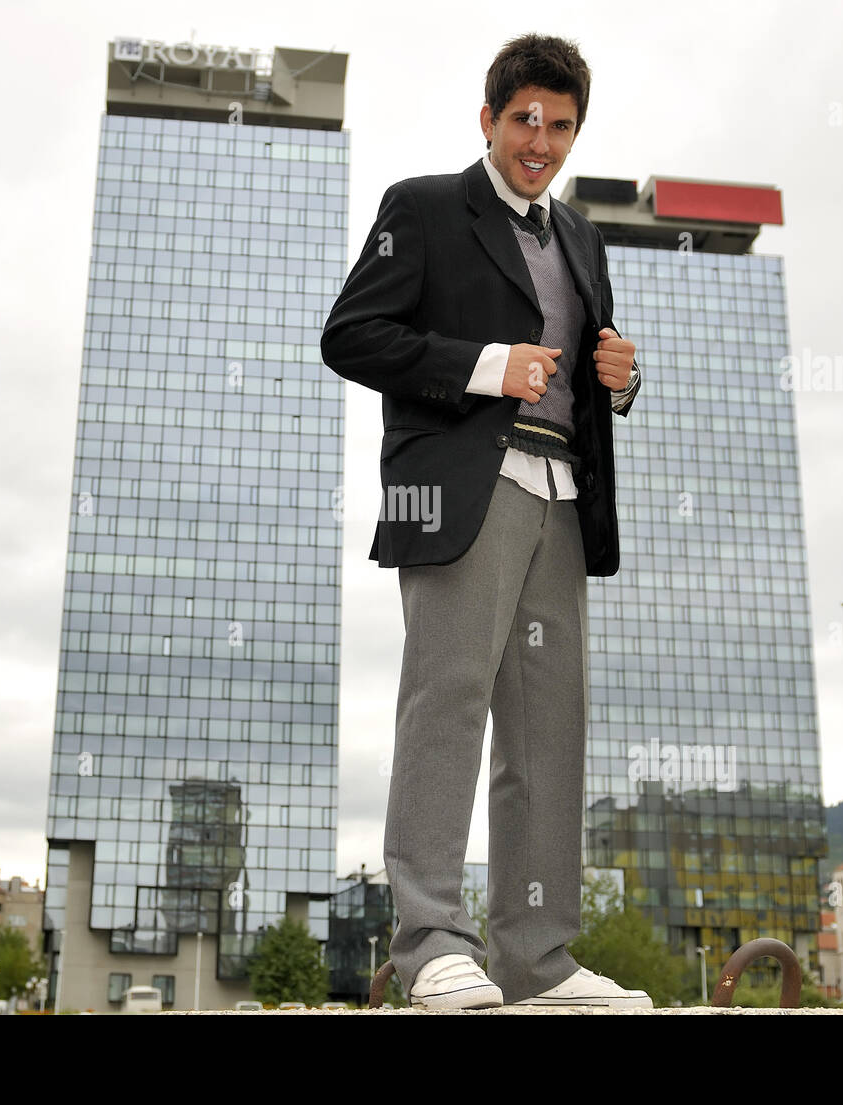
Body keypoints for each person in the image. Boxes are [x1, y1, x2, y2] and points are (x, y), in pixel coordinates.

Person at [321, 33, 652, 1010]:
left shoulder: (582, 236)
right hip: (469, 486)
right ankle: (428, 940)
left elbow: (587, 365)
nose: (539, 140)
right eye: (523, 121)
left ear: (573, 131)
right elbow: (351, 334)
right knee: (449, 701)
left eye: (558, 125)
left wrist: (620, 381)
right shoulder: (423, 208)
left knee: (549, 733)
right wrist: (485, 364)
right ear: (488, 120)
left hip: (561, 496)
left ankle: (536, 957)